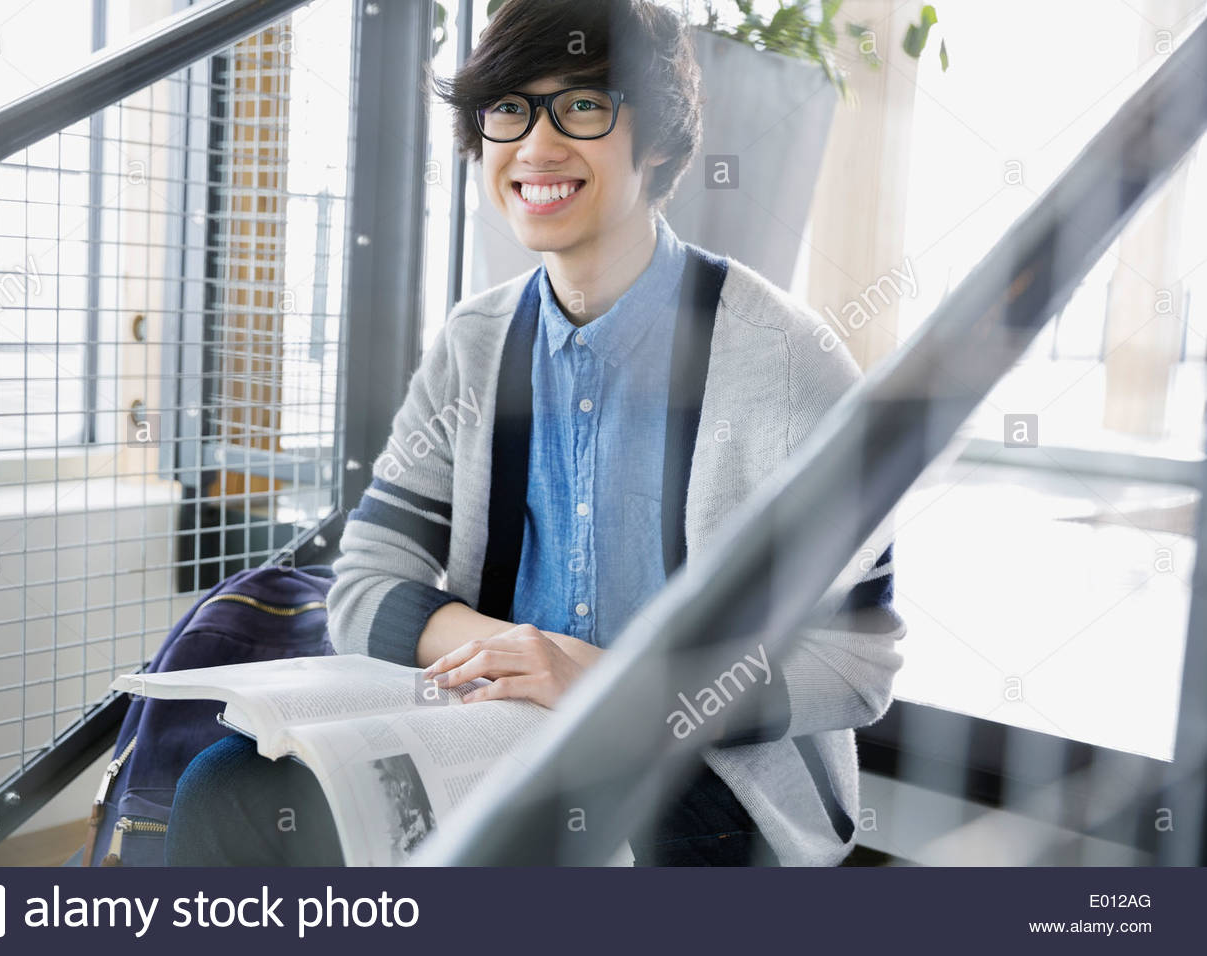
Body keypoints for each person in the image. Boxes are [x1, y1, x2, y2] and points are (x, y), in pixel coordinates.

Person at [166, 0, 905, 867]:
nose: (536, 147)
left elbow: (857, 663)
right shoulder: (473, 346)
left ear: (659, 140)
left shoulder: (785, 358)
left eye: (583, 107)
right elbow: (364, 583)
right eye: (510, 109)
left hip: (708, 771)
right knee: (227, 791)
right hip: (496, 735)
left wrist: (611, 686)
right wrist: (518, 658)